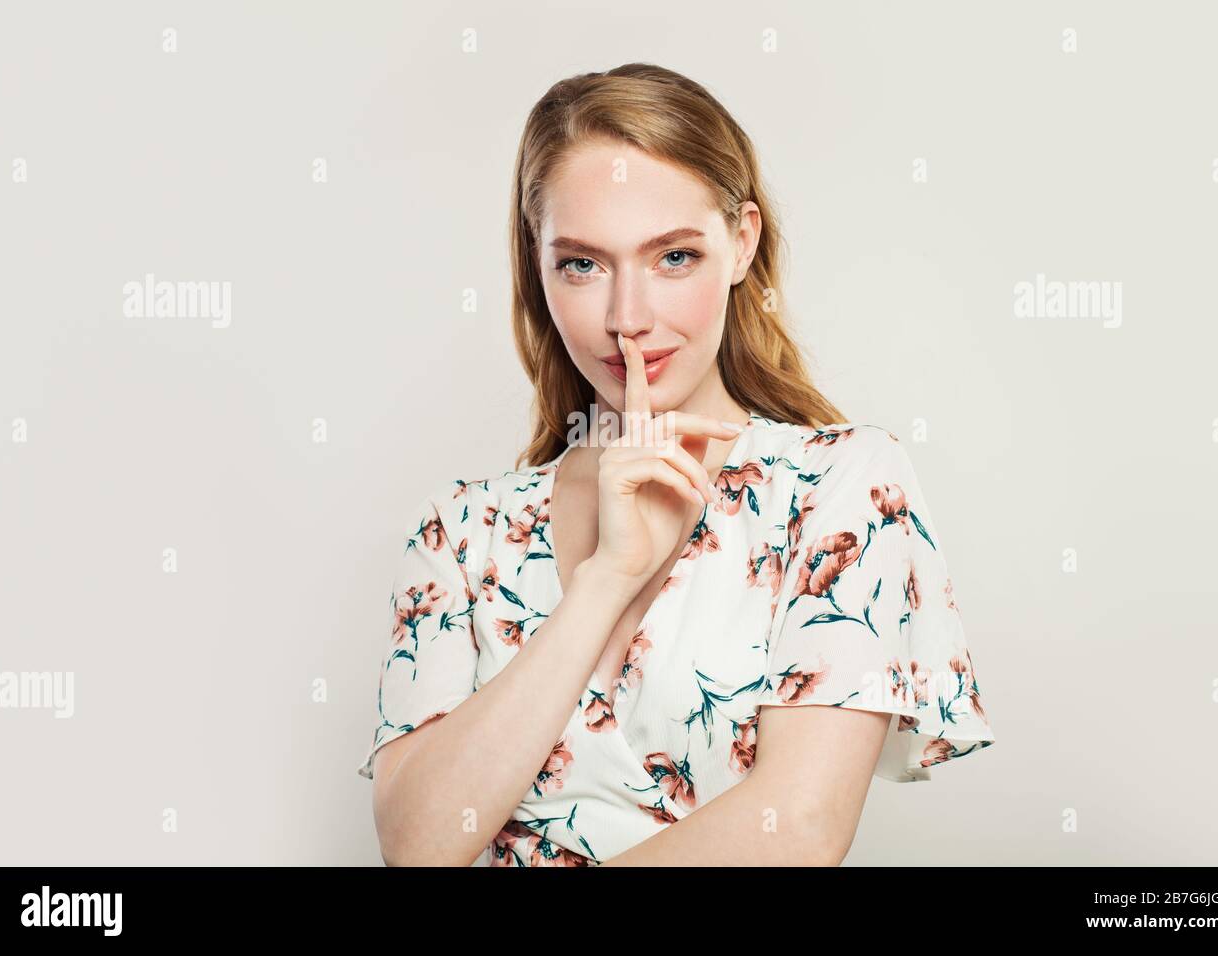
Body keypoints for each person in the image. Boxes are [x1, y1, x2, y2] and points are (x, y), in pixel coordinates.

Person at [358, 63, 996, 866]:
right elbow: (417, 845)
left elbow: (797, 830)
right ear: (538, 268)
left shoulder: (840, 486)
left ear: (741, 243)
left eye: (674, 258)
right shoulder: (465, 531)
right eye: (582, 264)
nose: (629, 317)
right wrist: (605, 581)